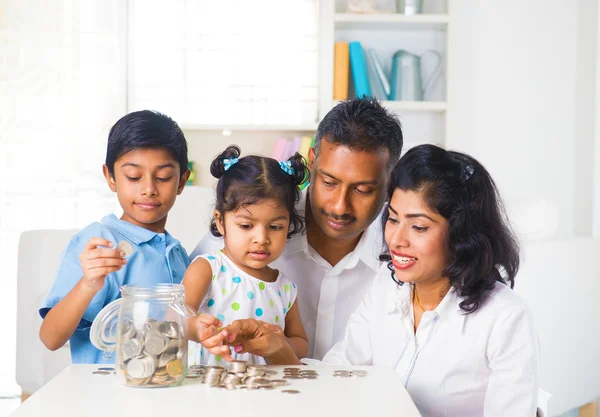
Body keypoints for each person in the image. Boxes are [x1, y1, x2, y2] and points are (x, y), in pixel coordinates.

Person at [221, 144, 540, 417]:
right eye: (393, 219)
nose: (396, 239)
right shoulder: (388, 290)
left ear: (461, 233)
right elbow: (336, 375)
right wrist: (277, 348)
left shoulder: (505, 318)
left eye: (419, 227)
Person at [190, 97, 404, 359]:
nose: (339, 206)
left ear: (389, 182)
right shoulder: (228, 243)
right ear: (311, 161)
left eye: (362, 190)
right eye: (329, 182)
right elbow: (174, 316)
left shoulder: (403, 253)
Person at [39, 110, 191, 364]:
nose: (149, 189)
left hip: (164, 391)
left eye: (163, 177)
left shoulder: (177, 252)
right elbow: (50, 338)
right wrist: (88, 284)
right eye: (133, 176)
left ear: (182, 181)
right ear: (110, 177)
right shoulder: (98, 243)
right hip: (105, 399)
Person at [184, 145, 309, 365]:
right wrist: (197, 328)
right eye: (246, 225)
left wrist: (280, 342)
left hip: (267, 391)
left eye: (275, 227)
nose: (261, 238)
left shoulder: (286, 287)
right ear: (221, 222)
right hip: (210, 391)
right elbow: (174, 318)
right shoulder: (208, 269)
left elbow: (301, 343)